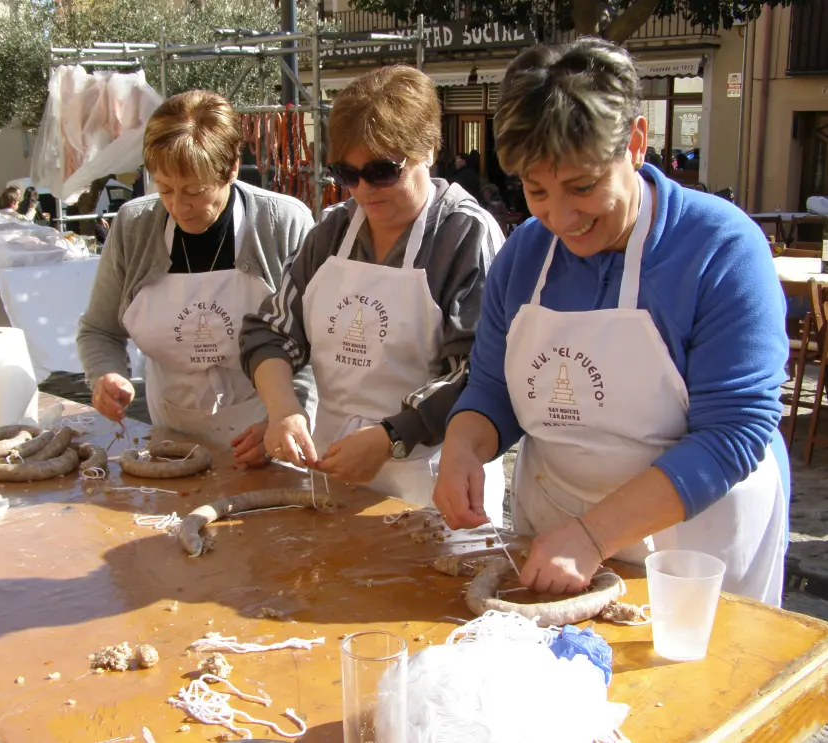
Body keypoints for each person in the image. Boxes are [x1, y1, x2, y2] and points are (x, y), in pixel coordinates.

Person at [433, 38, 789, 606]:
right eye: (536, 190)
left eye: (583, 186)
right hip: (553, 528)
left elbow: (734, 430)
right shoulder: (525, 255)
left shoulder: (719, 247)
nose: (562, 217)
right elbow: (493, 387)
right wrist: (462, 449)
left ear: (637, 143)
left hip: (691, 545)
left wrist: (597, 533)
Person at [240, 65, 506, 510]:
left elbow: (475, 370)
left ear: (428, 150)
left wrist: (391, 437)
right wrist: (284, 409)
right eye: (347, 173)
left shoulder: (465, 235)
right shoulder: (332, 232)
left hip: (432, 479)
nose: (363, 190)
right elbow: (270, 332)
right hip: (332, 468)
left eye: (382, 171)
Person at [77, 90, 316, 465]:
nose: (178, 206)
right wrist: (104, 375)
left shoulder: (282, 223)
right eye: (165, 189)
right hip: (172, 434)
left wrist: (287, 414)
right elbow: (99, 330)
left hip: (270, 433)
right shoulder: (134, 225)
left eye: (195, 190)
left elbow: (315, 345)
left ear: (232, 168)